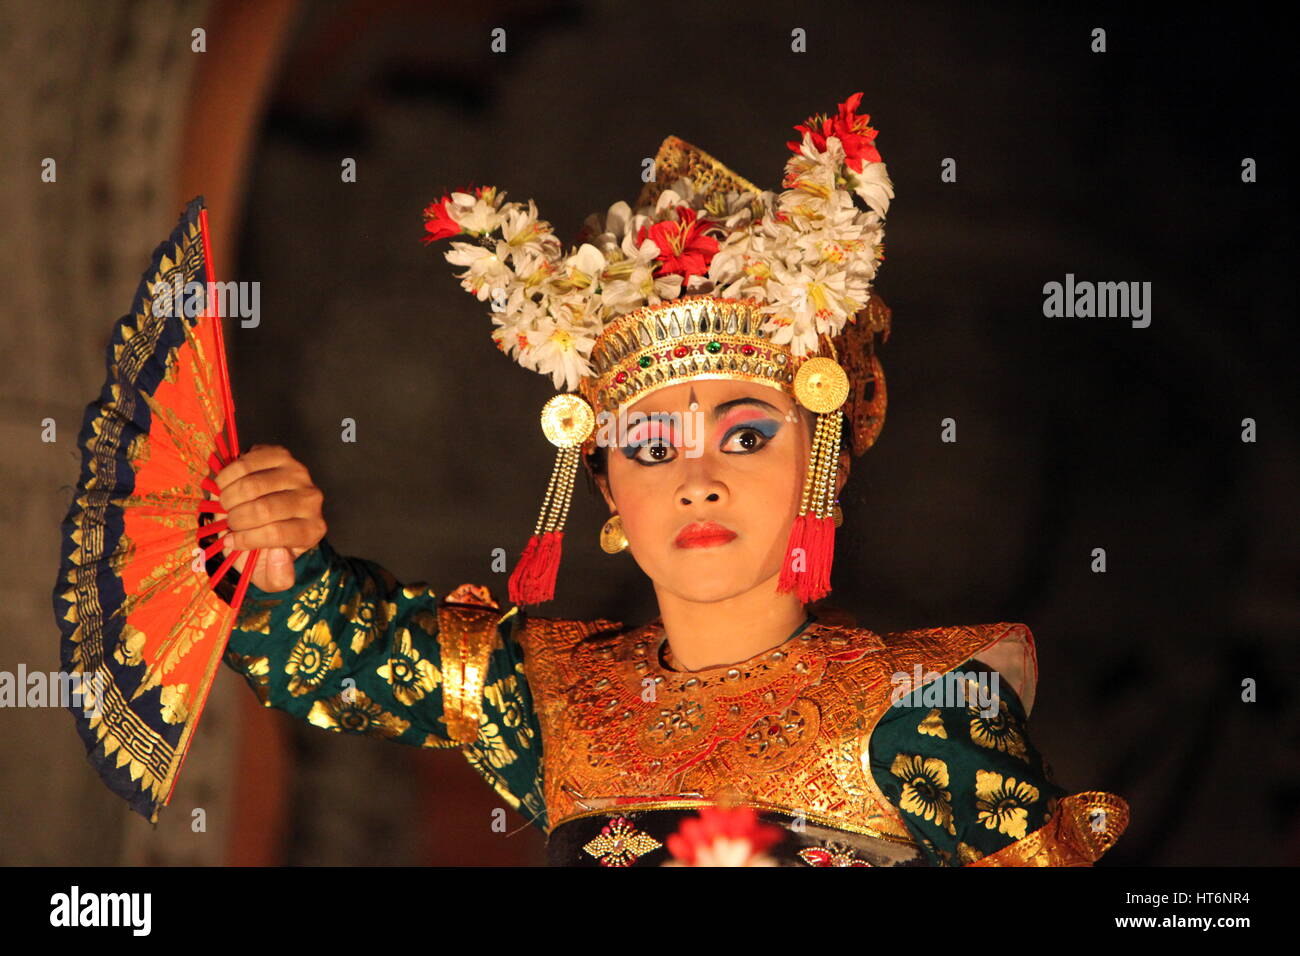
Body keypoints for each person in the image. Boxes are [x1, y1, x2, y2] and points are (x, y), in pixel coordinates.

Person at [216, 94, 1129, 866]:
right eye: (652, 445)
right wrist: (282, 555)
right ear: (608, 489)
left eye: (744, 438)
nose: (696, 480)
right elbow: (348, 654)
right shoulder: (552, 697)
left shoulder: (919, 717)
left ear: (822, 462)